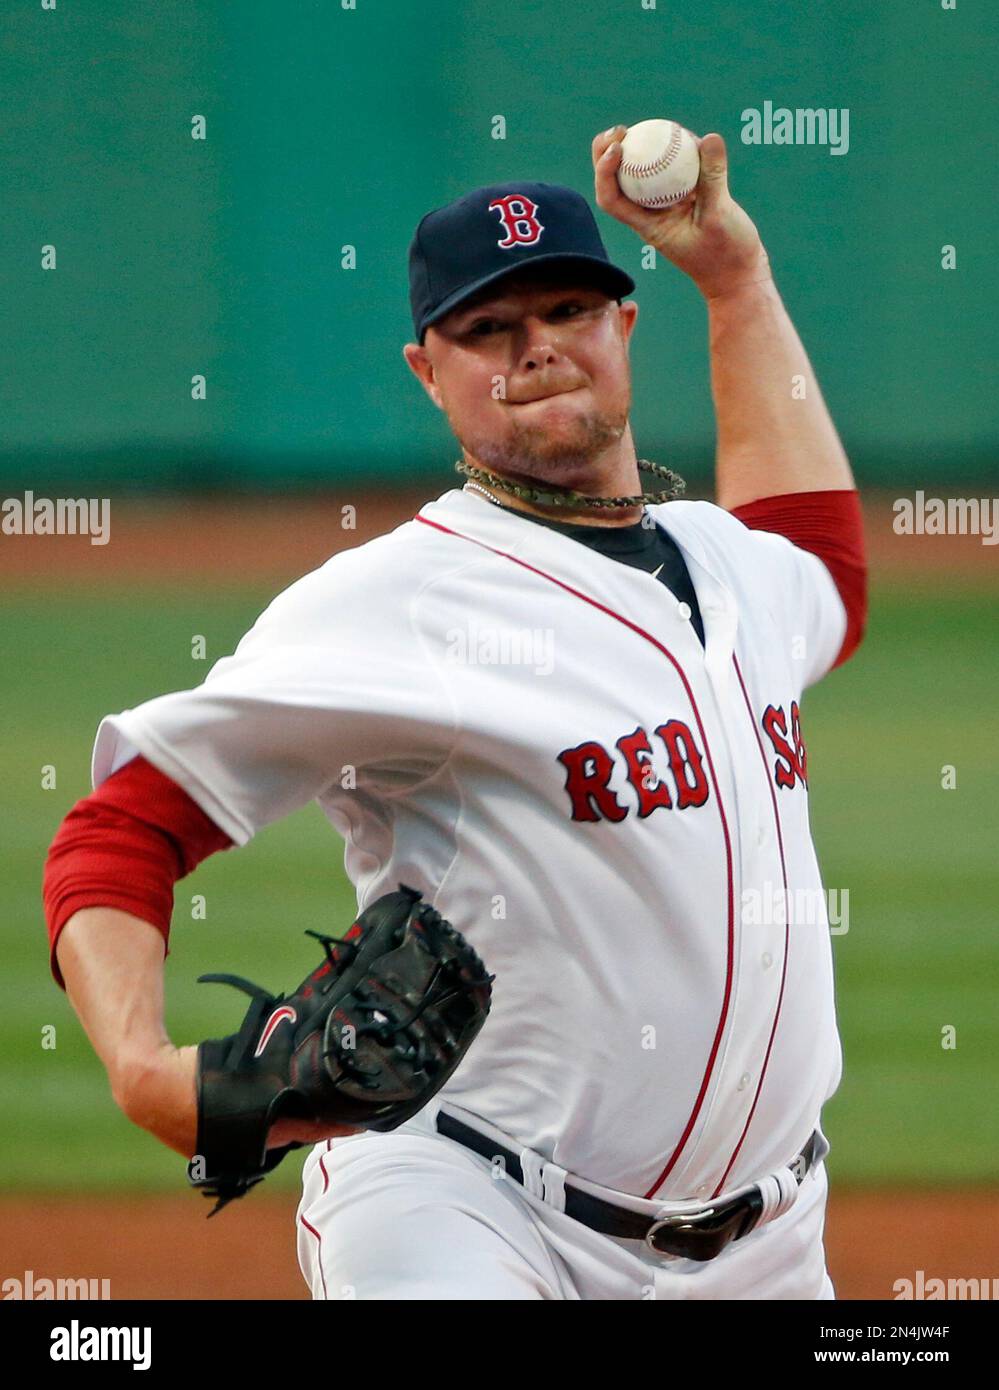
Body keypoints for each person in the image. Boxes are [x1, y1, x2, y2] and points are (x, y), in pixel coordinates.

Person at [43, 126, 866, 1299]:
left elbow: (826, 569)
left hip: (770, 1244)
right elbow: (122, 829)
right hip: (468, 1209)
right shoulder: (397, 601)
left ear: (624, 329)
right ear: (428, 372)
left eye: (570, 309)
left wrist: (735, 280)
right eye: (489, 328)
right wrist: (139, 1067)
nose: (537, 348)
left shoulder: (729, 563)